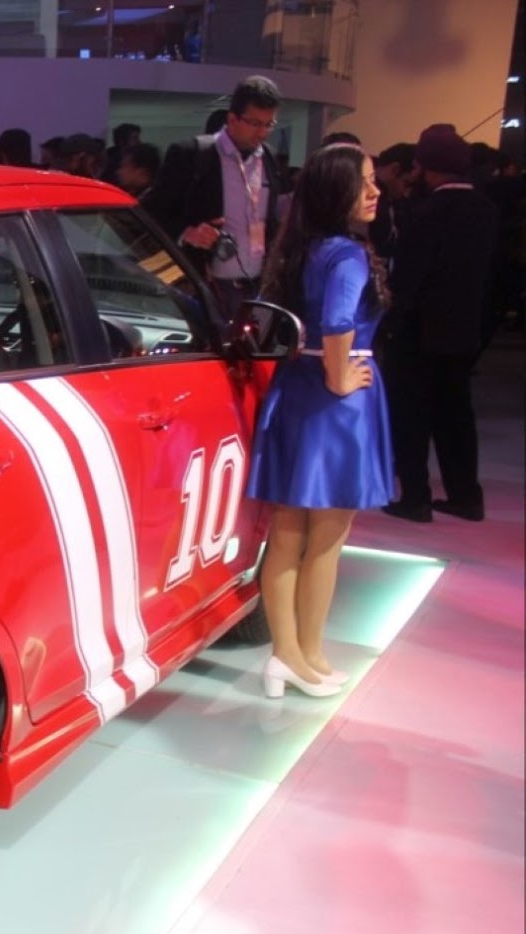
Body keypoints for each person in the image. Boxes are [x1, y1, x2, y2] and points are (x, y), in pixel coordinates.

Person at [246, 143, 394, 698]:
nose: (375, 191)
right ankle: (306, 654)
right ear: (338, 192)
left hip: (297, 391)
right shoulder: (348, 255)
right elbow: (337, 321)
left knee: (287, 531)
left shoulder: (305, 247)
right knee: (327, 536)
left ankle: (288, 655)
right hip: (335, 405)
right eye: (365, 182)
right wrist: (339, 378)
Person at [380, 124, 500, 523]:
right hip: (464, 329)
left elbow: (409, 278)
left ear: (425, 165)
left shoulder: (427, 212)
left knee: (411, 415)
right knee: (456, 416)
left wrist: (392, 321)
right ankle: (466, 496)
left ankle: (415, 496)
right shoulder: (484, 209)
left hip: (419, 331)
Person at [142, 75, 287, 320]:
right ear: (232, 118)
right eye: (254, 123)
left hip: (257, 286)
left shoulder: (270, 158)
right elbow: (151, 211)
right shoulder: (192, 154)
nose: (262, 132)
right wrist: (188, 232)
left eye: (269, 124)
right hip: (206, 284)